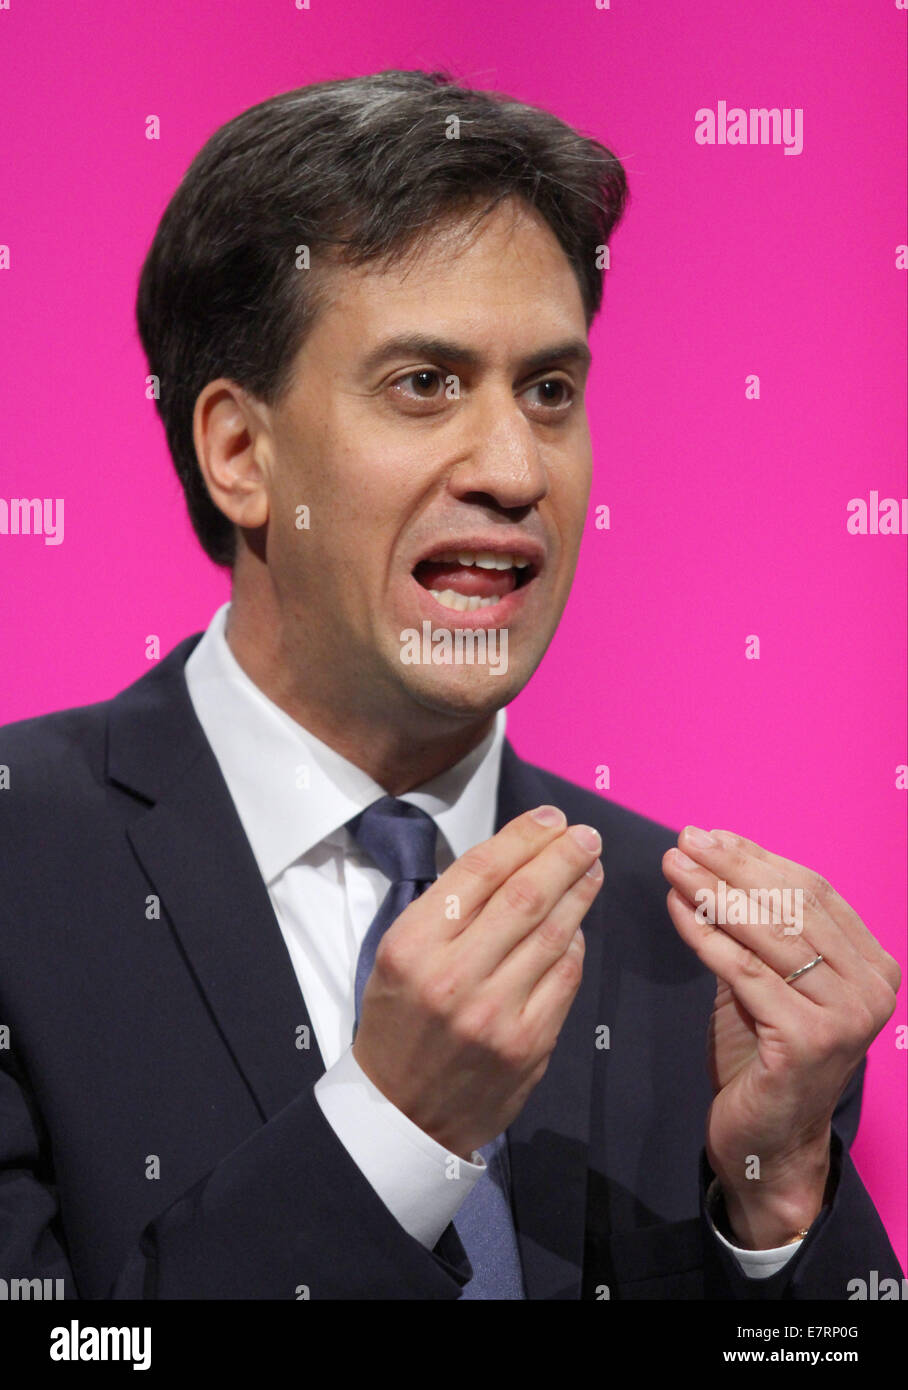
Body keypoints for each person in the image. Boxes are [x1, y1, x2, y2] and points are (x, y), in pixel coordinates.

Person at [0, 70, 901, 1300]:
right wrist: (389, 1135)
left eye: (548, 391)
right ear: (238, 451)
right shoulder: (21, 859)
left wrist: (777, 1193)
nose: (514, 467)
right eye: (425, 384)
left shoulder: (687, 950)